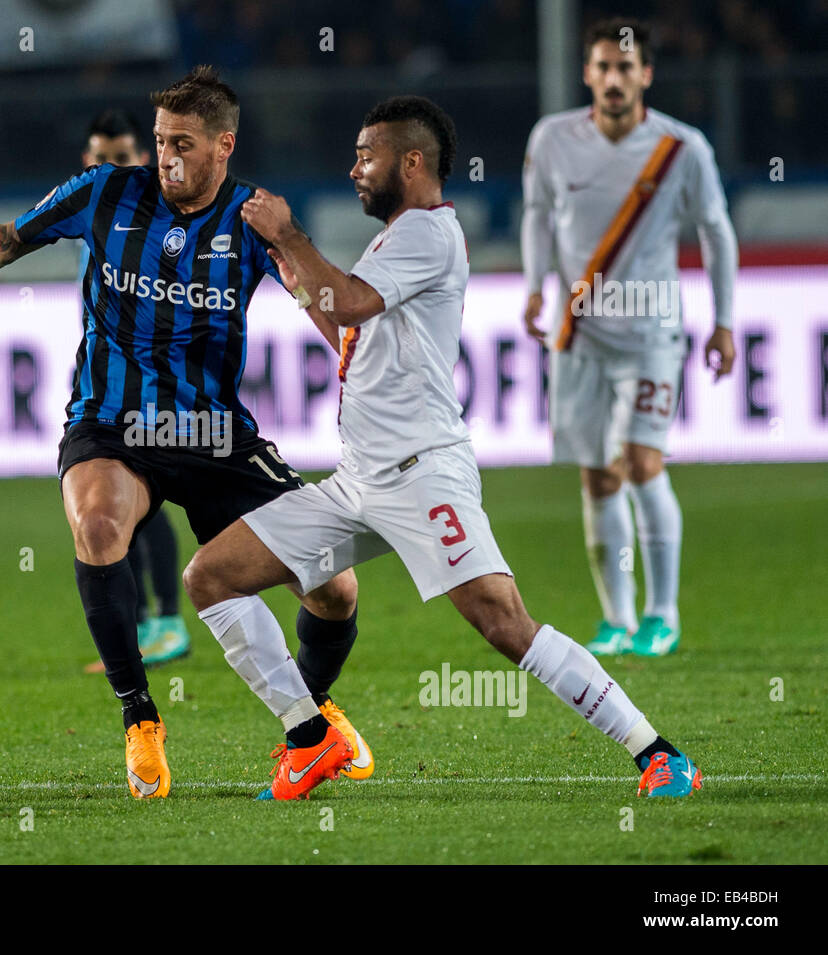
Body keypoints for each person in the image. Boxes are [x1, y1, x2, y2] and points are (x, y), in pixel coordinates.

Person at [183, 94, 703, 802]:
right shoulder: (393, 239)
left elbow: (356, 302)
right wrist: (293, 270)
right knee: (211, 575)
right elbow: (350, 331)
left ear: (413, 161)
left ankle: (658, 752)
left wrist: (291, 232)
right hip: (358, 479)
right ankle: (309, 737)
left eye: (366, 156)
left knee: (502, 621)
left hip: (422, 474)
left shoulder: (428, 231)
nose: (354, 169)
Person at [0, 66, 366, 799]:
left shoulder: (254, 220)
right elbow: (10, 237)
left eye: (183, 144)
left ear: (224, 145)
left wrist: (354, 358)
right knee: (99, 524)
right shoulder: (107, 190)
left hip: (213, 432)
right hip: (111, 421)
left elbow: (321, 303)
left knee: (333, 587)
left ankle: (310, 711)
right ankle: (140, 719)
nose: (164, 158)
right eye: (160, 141)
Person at [521, 17, 738, 657]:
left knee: (642, 463)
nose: (614, 79)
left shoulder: (681, 147)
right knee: (597, 477)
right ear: (588, 73)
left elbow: (717, 231)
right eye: (603, 68)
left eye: (626, 68)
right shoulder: (553, 139)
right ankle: (616, 619)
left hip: (652, 334)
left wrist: (724, 320)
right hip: (581, 334)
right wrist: (536, 287)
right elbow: (536, 216)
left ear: (646, 74)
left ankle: (662, 613)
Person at [76, 108, 191, 671]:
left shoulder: (155, 223)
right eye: (101, 159)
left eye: (122, 159)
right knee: (128, 513)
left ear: (143, 161)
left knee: (144, 509)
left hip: (151, 392)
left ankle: (166, 622)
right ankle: (153, 622)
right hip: (109, 389)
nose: (110, 168)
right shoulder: (92, 210)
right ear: (87, 163)